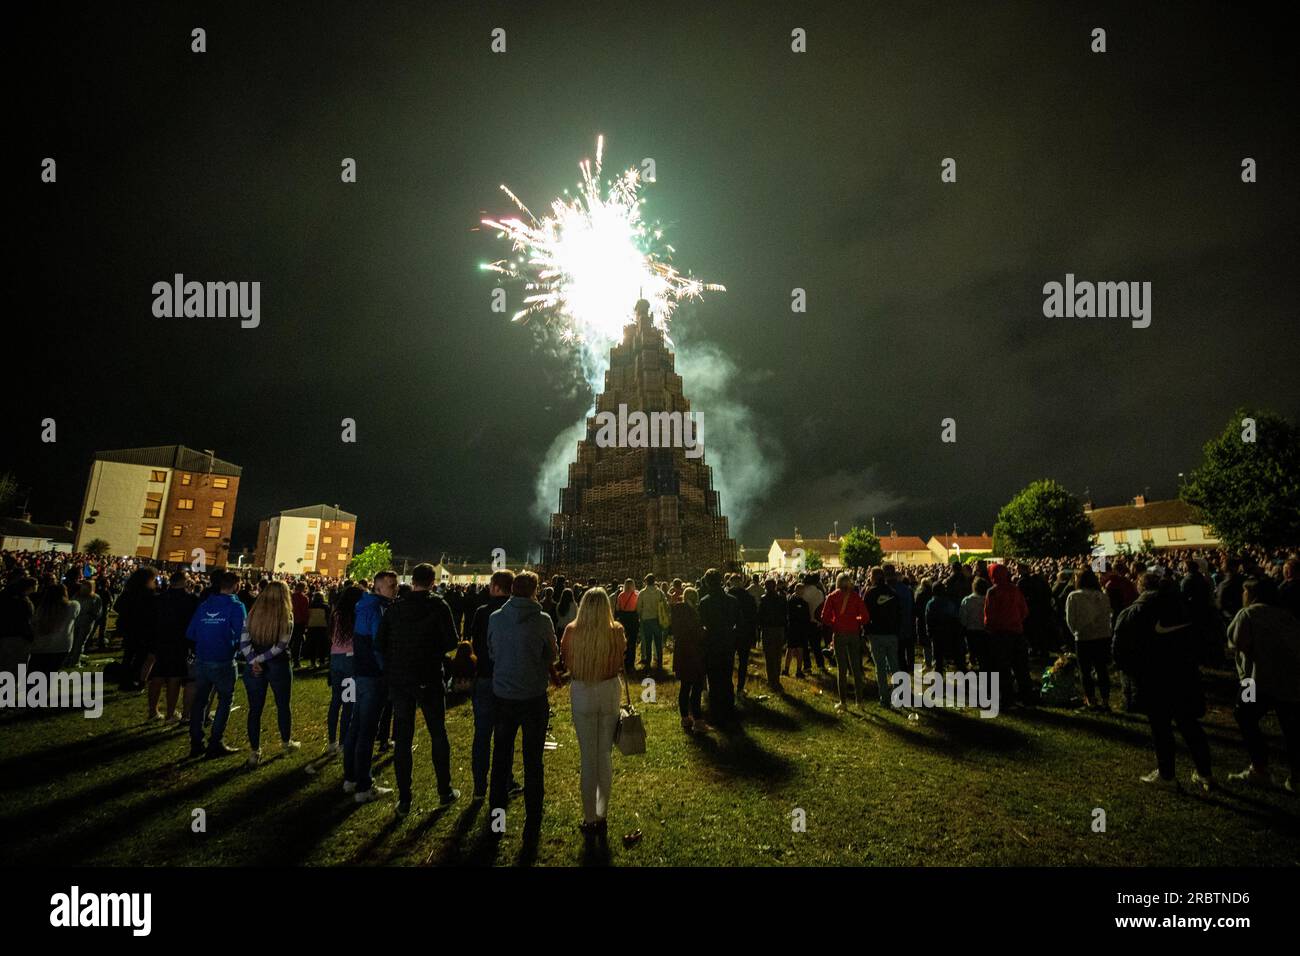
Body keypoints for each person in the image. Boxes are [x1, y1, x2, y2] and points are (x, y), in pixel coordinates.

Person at [1113, 573, 1213, 791]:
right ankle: (1205, 773)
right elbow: (1202, 639)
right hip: (1183, 675)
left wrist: (1134, 672)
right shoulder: (1183, 609)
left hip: (1153, 680)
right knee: (1189, 725)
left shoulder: (1134, 613)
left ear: (1141, 588)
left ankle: (1167, 775)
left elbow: (1119, 651)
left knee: (1161, 728)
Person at [376, 562, 461, 815]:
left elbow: (379, 642)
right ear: (433, 581)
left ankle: (404, 799)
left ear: (412, 581)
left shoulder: (395, 608)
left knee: (403, 737)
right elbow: (451, 641)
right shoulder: (438, 605)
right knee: (438, 733)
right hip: (429, 677)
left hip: (401, 679)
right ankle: (444, 790)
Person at [487, 571, 558, 834]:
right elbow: (551, 654)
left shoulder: (496, 618)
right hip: (532, 697)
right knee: (533, 759)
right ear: (534, 591)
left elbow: (492, 652)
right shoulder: (542, 620)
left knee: (501, 756)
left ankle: (497, 814)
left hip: (504, 696)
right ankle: (534, 817)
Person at [560, 587, 626, 848]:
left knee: (588, 757)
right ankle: (601, 813)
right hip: (609, 689)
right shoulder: (616, 631)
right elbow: (621, 660)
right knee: (604, 755)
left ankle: (590, 818)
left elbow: (565, 662)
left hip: (583, 689)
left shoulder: (572, 632)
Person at [1226, 577, 1299, 793]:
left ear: (1252, 594)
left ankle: (1259, 768)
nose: (1243, 596)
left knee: (1245, 716)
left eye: (1244, 592)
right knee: (1291, 727)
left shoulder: (1248, 614)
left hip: (1253, 679)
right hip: (1290, 680)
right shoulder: (1286, 615)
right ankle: (1296, 777)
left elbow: (1239, 643)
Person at [469, 570, 522, 801]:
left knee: (481, 734)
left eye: (491, 584)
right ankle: (505, 781)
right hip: (506, 680)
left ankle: (479, 787)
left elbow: (474, 642)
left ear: (498, 587)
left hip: (484, 677)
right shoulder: (514, 613)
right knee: (505, 736)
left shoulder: (482, 613)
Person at [343, 570, 397, 801]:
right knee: (367, 730)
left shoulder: (363, 606)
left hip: (360, 673)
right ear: (378, 588)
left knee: (356, 725)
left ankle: (350, 778)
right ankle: (364, 787)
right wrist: (387, 670)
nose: (395, 589)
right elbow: (378, 646)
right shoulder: (378, 609)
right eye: (391, 586)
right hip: (373, 676)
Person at [186, 570, 247, 758]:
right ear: (236, 585)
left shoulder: (205, 604)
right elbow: (242, 634)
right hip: (224, 660)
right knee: (225, 700)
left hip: (202, 659)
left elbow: (190, 633)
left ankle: (196, 742)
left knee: (200, 701)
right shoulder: (236, 607)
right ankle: (215, 742)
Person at [240, 581, 301, 768]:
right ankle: (286, 741)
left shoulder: (252, 614)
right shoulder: (286, 617)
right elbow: (281, 646)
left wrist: (254, 660)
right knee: (283, 704)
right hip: (277, 665)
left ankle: (255, 750)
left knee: (255, 709)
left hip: (254, 666)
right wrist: (261, 659)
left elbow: (243, 641)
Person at [984, 564, 1032, 709]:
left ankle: (1008, 700)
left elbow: (988, 615)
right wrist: (1016, 621)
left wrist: (990, 627)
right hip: (1016, 633)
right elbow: (1024, 610)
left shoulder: (992, 592)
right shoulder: (1015, 589)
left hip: (1000, 635)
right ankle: (1027, 699)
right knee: (1021, 668)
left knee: (1003, 669)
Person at [153, 570, 198, 724]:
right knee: (174, 677)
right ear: (184, 582)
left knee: (157, 675)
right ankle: (170, 714)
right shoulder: (189, 599)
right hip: (179, 642)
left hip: (160, 639)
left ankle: (153, 710)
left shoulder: (160, 598)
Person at [1065, 567, 1112, 711]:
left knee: (1085, 670)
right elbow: (1108, 615)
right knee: (1102, 669)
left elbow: (1070, 619)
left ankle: (1090, 700)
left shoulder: (1074, 596)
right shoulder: (1102, 596)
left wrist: (1077, 632)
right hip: (1102, 636)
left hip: (1084, 637)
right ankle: (1105, 701)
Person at [698, 568, 740, 726]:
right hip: (727, 641)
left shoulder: (704, 602)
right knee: (727, 676)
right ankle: (729, 707)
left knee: (714, 678)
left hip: (712, 642)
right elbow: (738, 621)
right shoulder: (732, 600)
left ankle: (716, 709)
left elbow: (701, 624)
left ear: (708, 583)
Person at [821, 572, 868, 712]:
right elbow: (865, 617)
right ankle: (859, 701)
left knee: (842, 669)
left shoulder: (832, 597)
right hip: (853, 634)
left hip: (839, 634)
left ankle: (843, 702)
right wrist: (855, 621)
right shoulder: (855, 596)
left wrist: (835, 623)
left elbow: (824, 617)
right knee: (856, 668)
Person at [326, 585, 362, 754]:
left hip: (335, 659)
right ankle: (343, 741)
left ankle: (332, 740)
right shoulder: (354, 616)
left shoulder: (336, 614)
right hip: (349, 659)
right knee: (348, 702)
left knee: (335, 701)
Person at [115, 567, 159, 691]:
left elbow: (117, 606)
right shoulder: (150, 595)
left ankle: (124, 681)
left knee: (128, 655)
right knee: (140, 656)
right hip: (143, 630)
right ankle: (133, 679)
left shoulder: (129, 592)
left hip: (129, 628)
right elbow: (154, 613)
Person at [864, 568, 901, 707]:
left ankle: (884, 699)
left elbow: (865, 616)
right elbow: (899, 613)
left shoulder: (870, 594)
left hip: (876, 635)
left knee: (880, 668)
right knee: (894, 665)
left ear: (873, 577)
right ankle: (899, 696)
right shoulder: (893, 593)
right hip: (891, 634)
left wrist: (867, 631)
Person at [672, 586, 708, 731]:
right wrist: (703, 631)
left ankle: (685, 717)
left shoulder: (676, 610)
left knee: (685, 686)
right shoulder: (692, 612)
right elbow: (694, 631)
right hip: (693, 653)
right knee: (697, 685)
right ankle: (698, 719)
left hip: (681, 652)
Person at [29, 583, 79, 677]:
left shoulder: (42, 609)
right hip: (61, 647)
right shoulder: (73, 606)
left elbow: (34, 625)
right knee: (49, 674)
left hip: (40, 646)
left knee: (35, 675)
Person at [0, 576, 37, 676]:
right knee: (13, 665)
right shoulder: (24, 602)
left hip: (5, 633)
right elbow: (26, 620)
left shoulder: (6, 596)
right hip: (18, 636)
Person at [756, 578, 788, 693]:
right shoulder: (781, 599)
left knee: (769, 656)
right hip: (779, 629)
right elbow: (785, 615)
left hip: (768, 629)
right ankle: (776, 678)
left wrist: (760, 627)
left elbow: (760, 616)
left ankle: (771, 679)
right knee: (777, 655)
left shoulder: (764, 599)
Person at [636, 574, 667, 671]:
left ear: (646, 581)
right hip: (657, 620)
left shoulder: (642, 593)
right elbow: (665, 605)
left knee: (648, 642)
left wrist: (641, 616)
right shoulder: (660, 592)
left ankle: (648, 663)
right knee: (658, 642)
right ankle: (660, 663)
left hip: (646, 620)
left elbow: (638, 608)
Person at [67, 579, 102, 668]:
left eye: (85, 586)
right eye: (83, 585)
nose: (83, 587)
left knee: (80, 642)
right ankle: (68, 659)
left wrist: (90, 617)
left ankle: (75, 661)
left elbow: (97, 612)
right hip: (76, 621)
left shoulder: (95, 598)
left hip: (86, 623)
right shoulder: (77, 595)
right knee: (72, 641)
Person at [960, 576, 989, 671]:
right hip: (985, 630)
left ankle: (973, 670)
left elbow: (963, 618)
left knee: (972, 652)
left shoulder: (967, 600)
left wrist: (964, 627)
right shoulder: (989, 600)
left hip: (971, 631)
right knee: (984, 655)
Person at [801, 574, 827, 673]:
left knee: (805, 646)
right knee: (816, 645)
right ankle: (820, 664)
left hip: (805, 621)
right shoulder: (820, 592)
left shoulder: (803, 592)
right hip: (816, 622)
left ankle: (807, 666)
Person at [784, 581, 810, 678]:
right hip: (795, 628)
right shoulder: (792, 602)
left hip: (797, 628)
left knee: (797, 649)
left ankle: (796, 669)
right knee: (792, 649)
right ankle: (789, 669)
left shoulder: (798, 602)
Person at [615, 578, 639, 673]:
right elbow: (637, 607)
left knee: (623, 641)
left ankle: (623, 663)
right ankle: (631, 664)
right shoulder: (636, 595)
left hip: (624, 618)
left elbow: (618, 608)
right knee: (632, 642)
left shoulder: (621, 595)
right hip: (633, 618)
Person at [289, 582, 310, 668]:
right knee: (298, 643)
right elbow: (305, 612)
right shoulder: (304, 598)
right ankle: (296, 661)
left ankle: (287, 659)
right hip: (300, 622)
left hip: (291, 621)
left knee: (289, 642)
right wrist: (306, 624)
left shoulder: (291, 597)